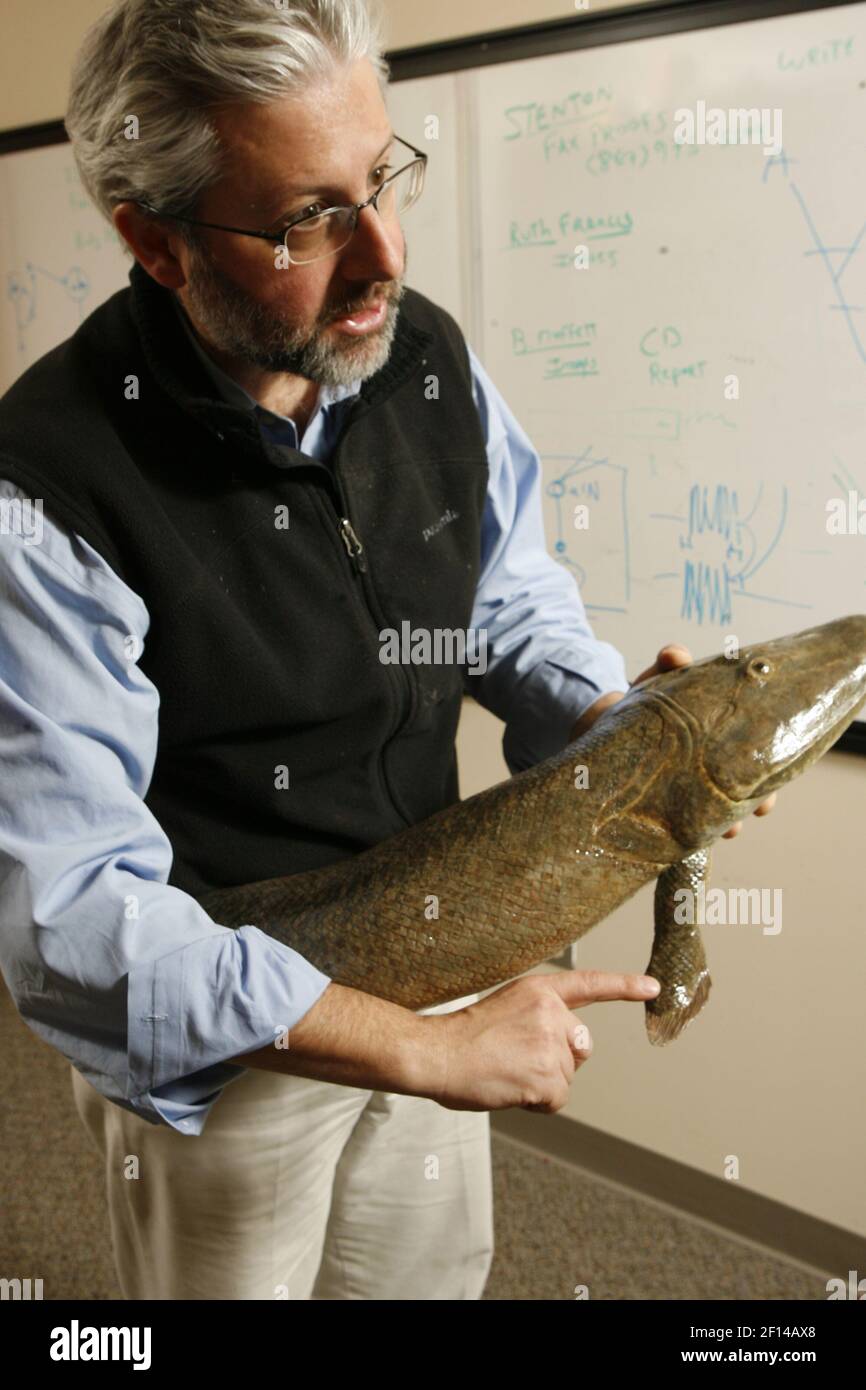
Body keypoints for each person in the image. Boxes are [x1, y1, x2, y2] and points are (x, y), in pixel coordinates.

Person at [0, 0, 775, 1301]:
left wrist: (602, 717)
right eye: (308, 218)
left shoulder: (422, 356)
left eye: (381, 179)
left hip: (444, 962)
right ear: (154, 240)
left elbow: (504, 598)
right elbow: (73, 919)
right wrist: (418, 1049)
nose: (384, 256)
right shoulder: (50, 487)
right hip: (233, 1036)